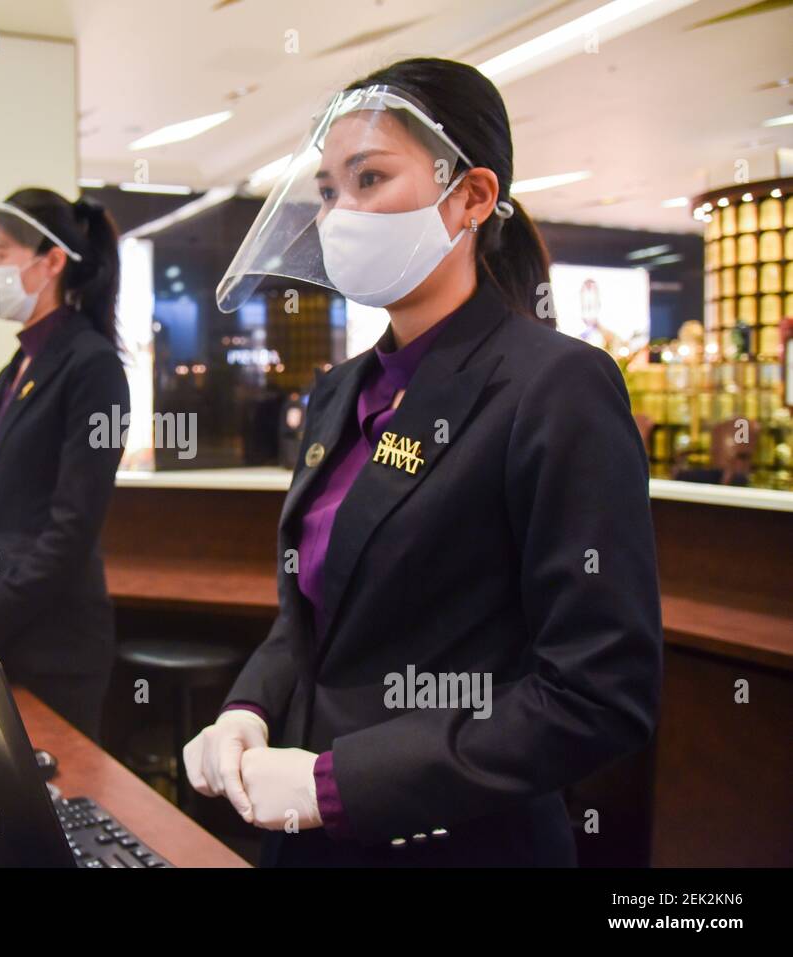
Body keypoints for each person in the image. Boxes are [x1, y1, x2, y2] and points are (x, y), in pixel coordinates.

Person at [184, 58, 662, 866]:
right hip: (306, 839)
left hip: (462, 843)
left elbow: (597, 692)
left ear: (472, 196)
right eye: (330, 190)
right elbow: (315, 614)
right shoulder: (341, 391)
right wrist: (247, 708)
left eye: (370, 177)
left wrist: (339, 783)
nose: (341, 214)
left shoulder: (555, 387)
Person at [0, 189, 130, 742]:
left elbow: (71, 530)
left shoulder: (94, 368)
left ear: (51, 262)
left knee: (55, 812)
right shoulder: (15, 367)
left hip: (53, 647)